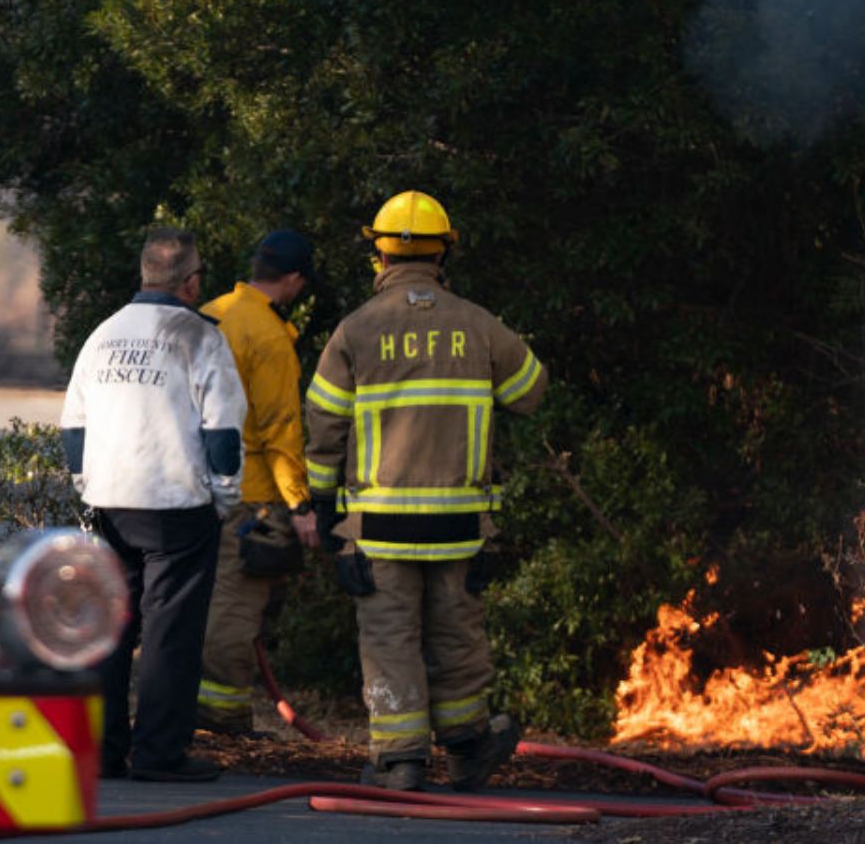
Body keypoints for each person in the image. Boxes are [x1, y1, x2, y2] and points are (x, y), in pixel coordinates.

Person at [304, 191, 548, 792]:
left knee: (390, 638)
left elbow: (321, 427)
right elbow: (533, 393)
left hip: (378, 526)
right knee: (456, 634)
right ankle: (467, 748)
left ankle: (401, 761)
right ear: (445, 254)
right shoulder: (478, 324)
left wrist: (322, 509)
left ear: (379, 256)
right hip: (459, 524)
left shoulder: (355, 331)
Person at [61, 227, 246, 783]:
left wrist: (86, 485)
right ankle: (160, 754)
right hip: (176, 506)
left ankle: (102, 749)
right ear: (191, 283)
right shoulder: (200, 339)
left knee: (112, 627)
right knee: (170, 631)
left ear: (144, 274)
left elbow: (73, 426)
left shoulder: (103, 335)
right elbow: (222, 434)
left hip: (109, 504)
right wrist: (224, 498)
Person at [194, 229, 322, 736]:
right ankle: (221, 716)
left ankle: (196, 707)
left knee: (201, 601)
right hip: (250, 495)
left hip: (193, 487)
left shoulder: (210, 312)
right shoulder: (268, 337)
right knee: (236, 607)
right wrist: (301, 504)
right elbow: (280, 431)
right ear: (292, 279)